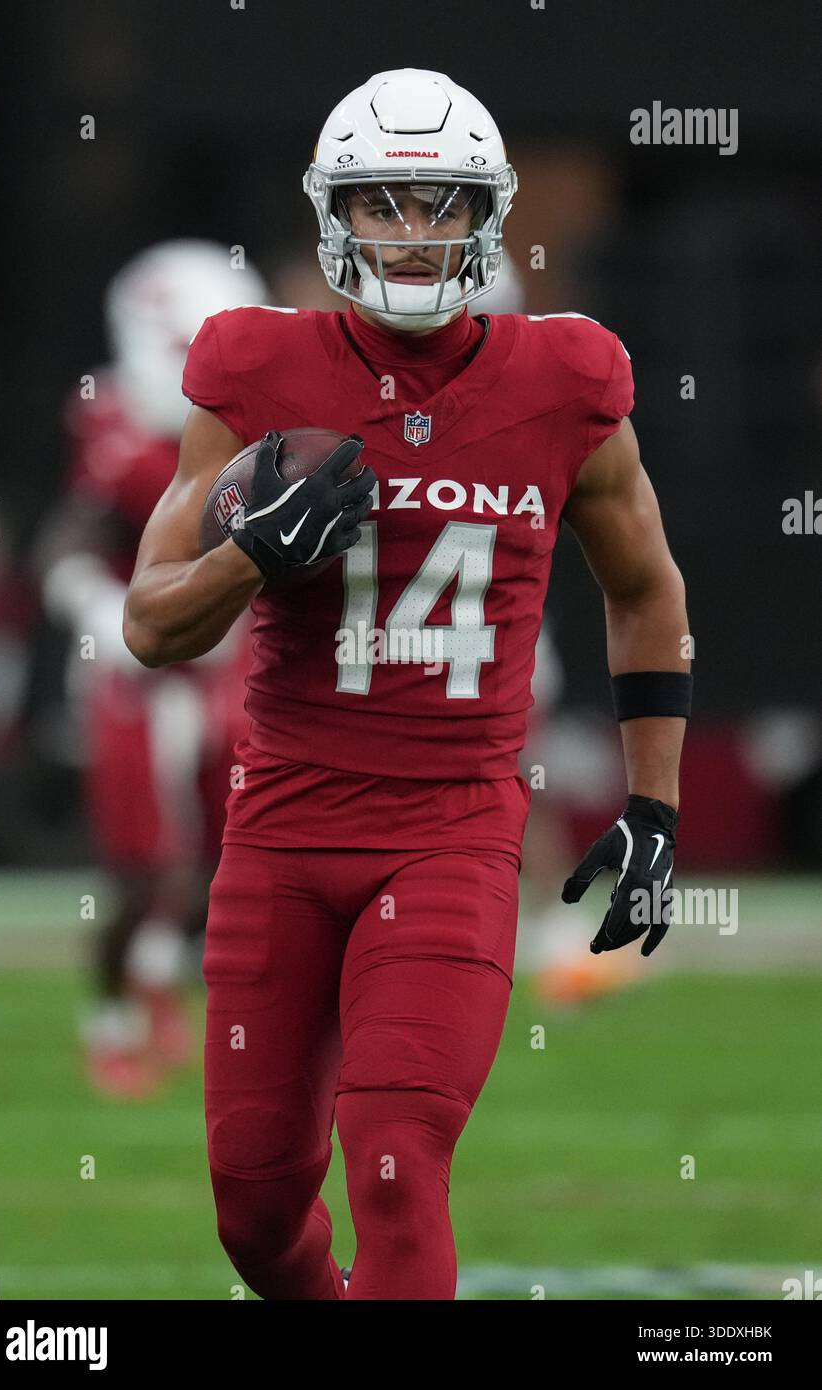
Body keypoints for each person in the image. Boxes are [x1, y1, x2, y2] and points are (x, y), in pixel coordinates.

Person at [124, 69, 691, 1298]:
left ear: (486, 214)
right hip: (279, 827)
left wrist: (652, 808)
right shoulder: (254, 366)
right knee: (255, 1208)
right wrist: (248, 554)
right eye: (383, 202)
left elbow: (644, 586)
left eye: (440, 202)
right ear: (336, 213)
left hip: (450, 830)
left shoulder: (566, 379)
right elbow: (147, 625)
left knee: (392, 1159)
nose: (413, 231)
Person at [41, 241, 266, 1097]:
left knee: (225, 856)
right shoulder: (113, 418)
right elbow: (68, 541)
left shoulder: (253, 423)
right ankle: (109, 1022)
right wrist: (96, 607)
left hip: (224, 661)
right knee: (143, 868)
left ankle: (161, 981)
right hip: (136, 668)